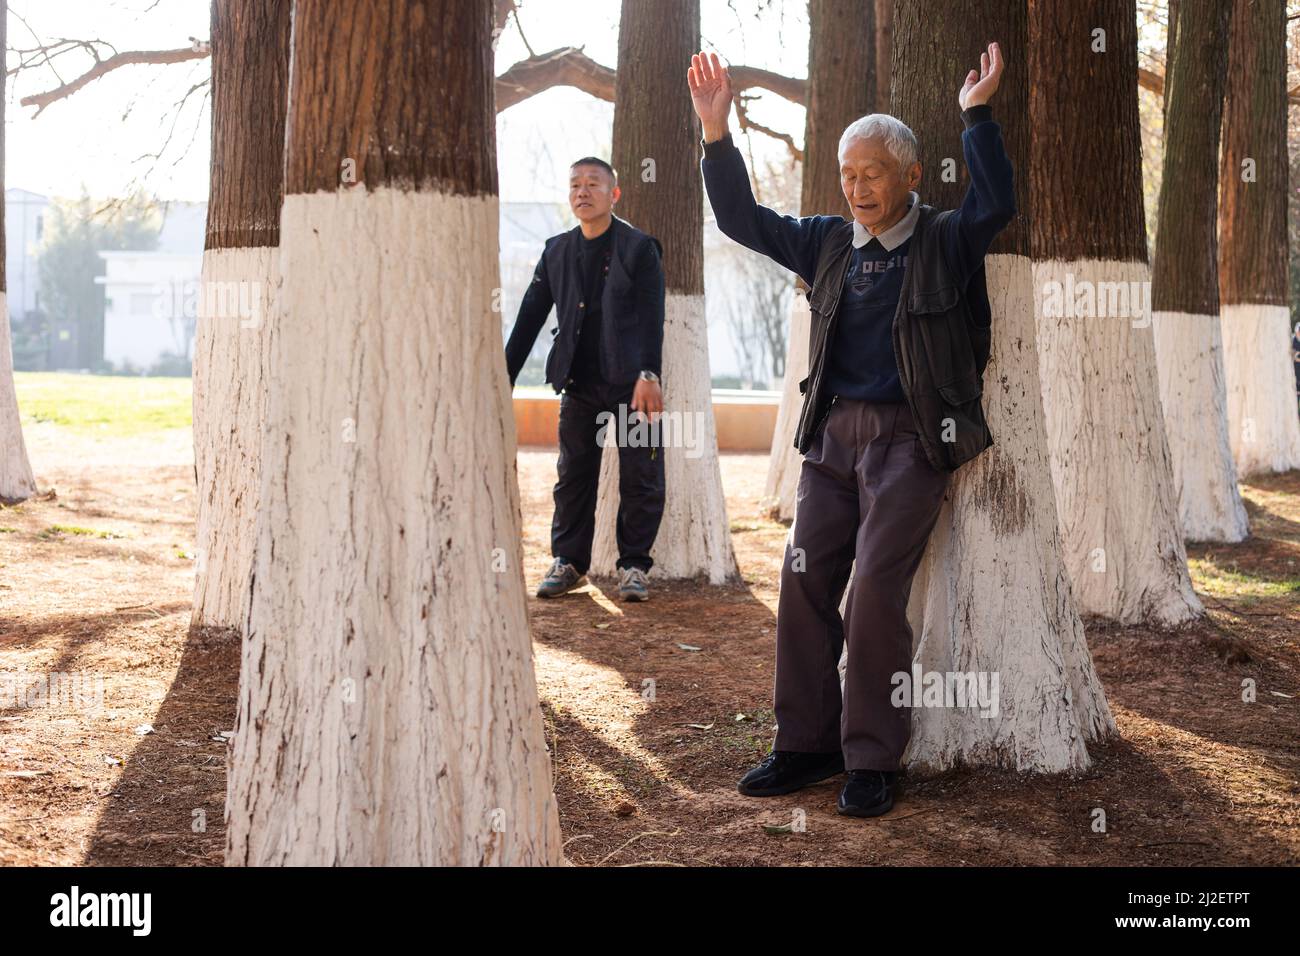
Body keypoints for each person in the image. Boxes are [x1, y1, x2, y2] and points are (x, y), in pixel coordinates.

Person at [688, 42, 1015, 816]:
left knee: (873, 589)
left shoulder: (943, 239)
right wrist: (715, 132)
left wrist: (977, 117)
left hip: (910, 441)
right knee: (803, 579)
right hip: (831, 441)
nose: (858, 186)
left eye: (873, 172)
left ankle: (872, 756)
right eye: (848, 174)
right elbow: (739, 217)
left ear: (909, 176)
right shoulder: (829, 241)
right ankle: (805, 744)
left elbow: (994, 202)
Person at [504, 157, 667, 602]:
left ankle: (634, 566)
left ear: (613, 194)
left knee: (641, 476)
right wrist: (504, 378)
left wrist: (650, 373)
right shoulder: (556, 250)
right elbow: (529, 318)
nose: (582, 191)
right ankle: (570, 562)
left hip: (634, 387)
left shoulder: (639, 248)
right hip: (578, 383)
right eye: (575, 184)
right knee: (573, 475)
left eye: (593, 184)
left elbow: (654, 317)